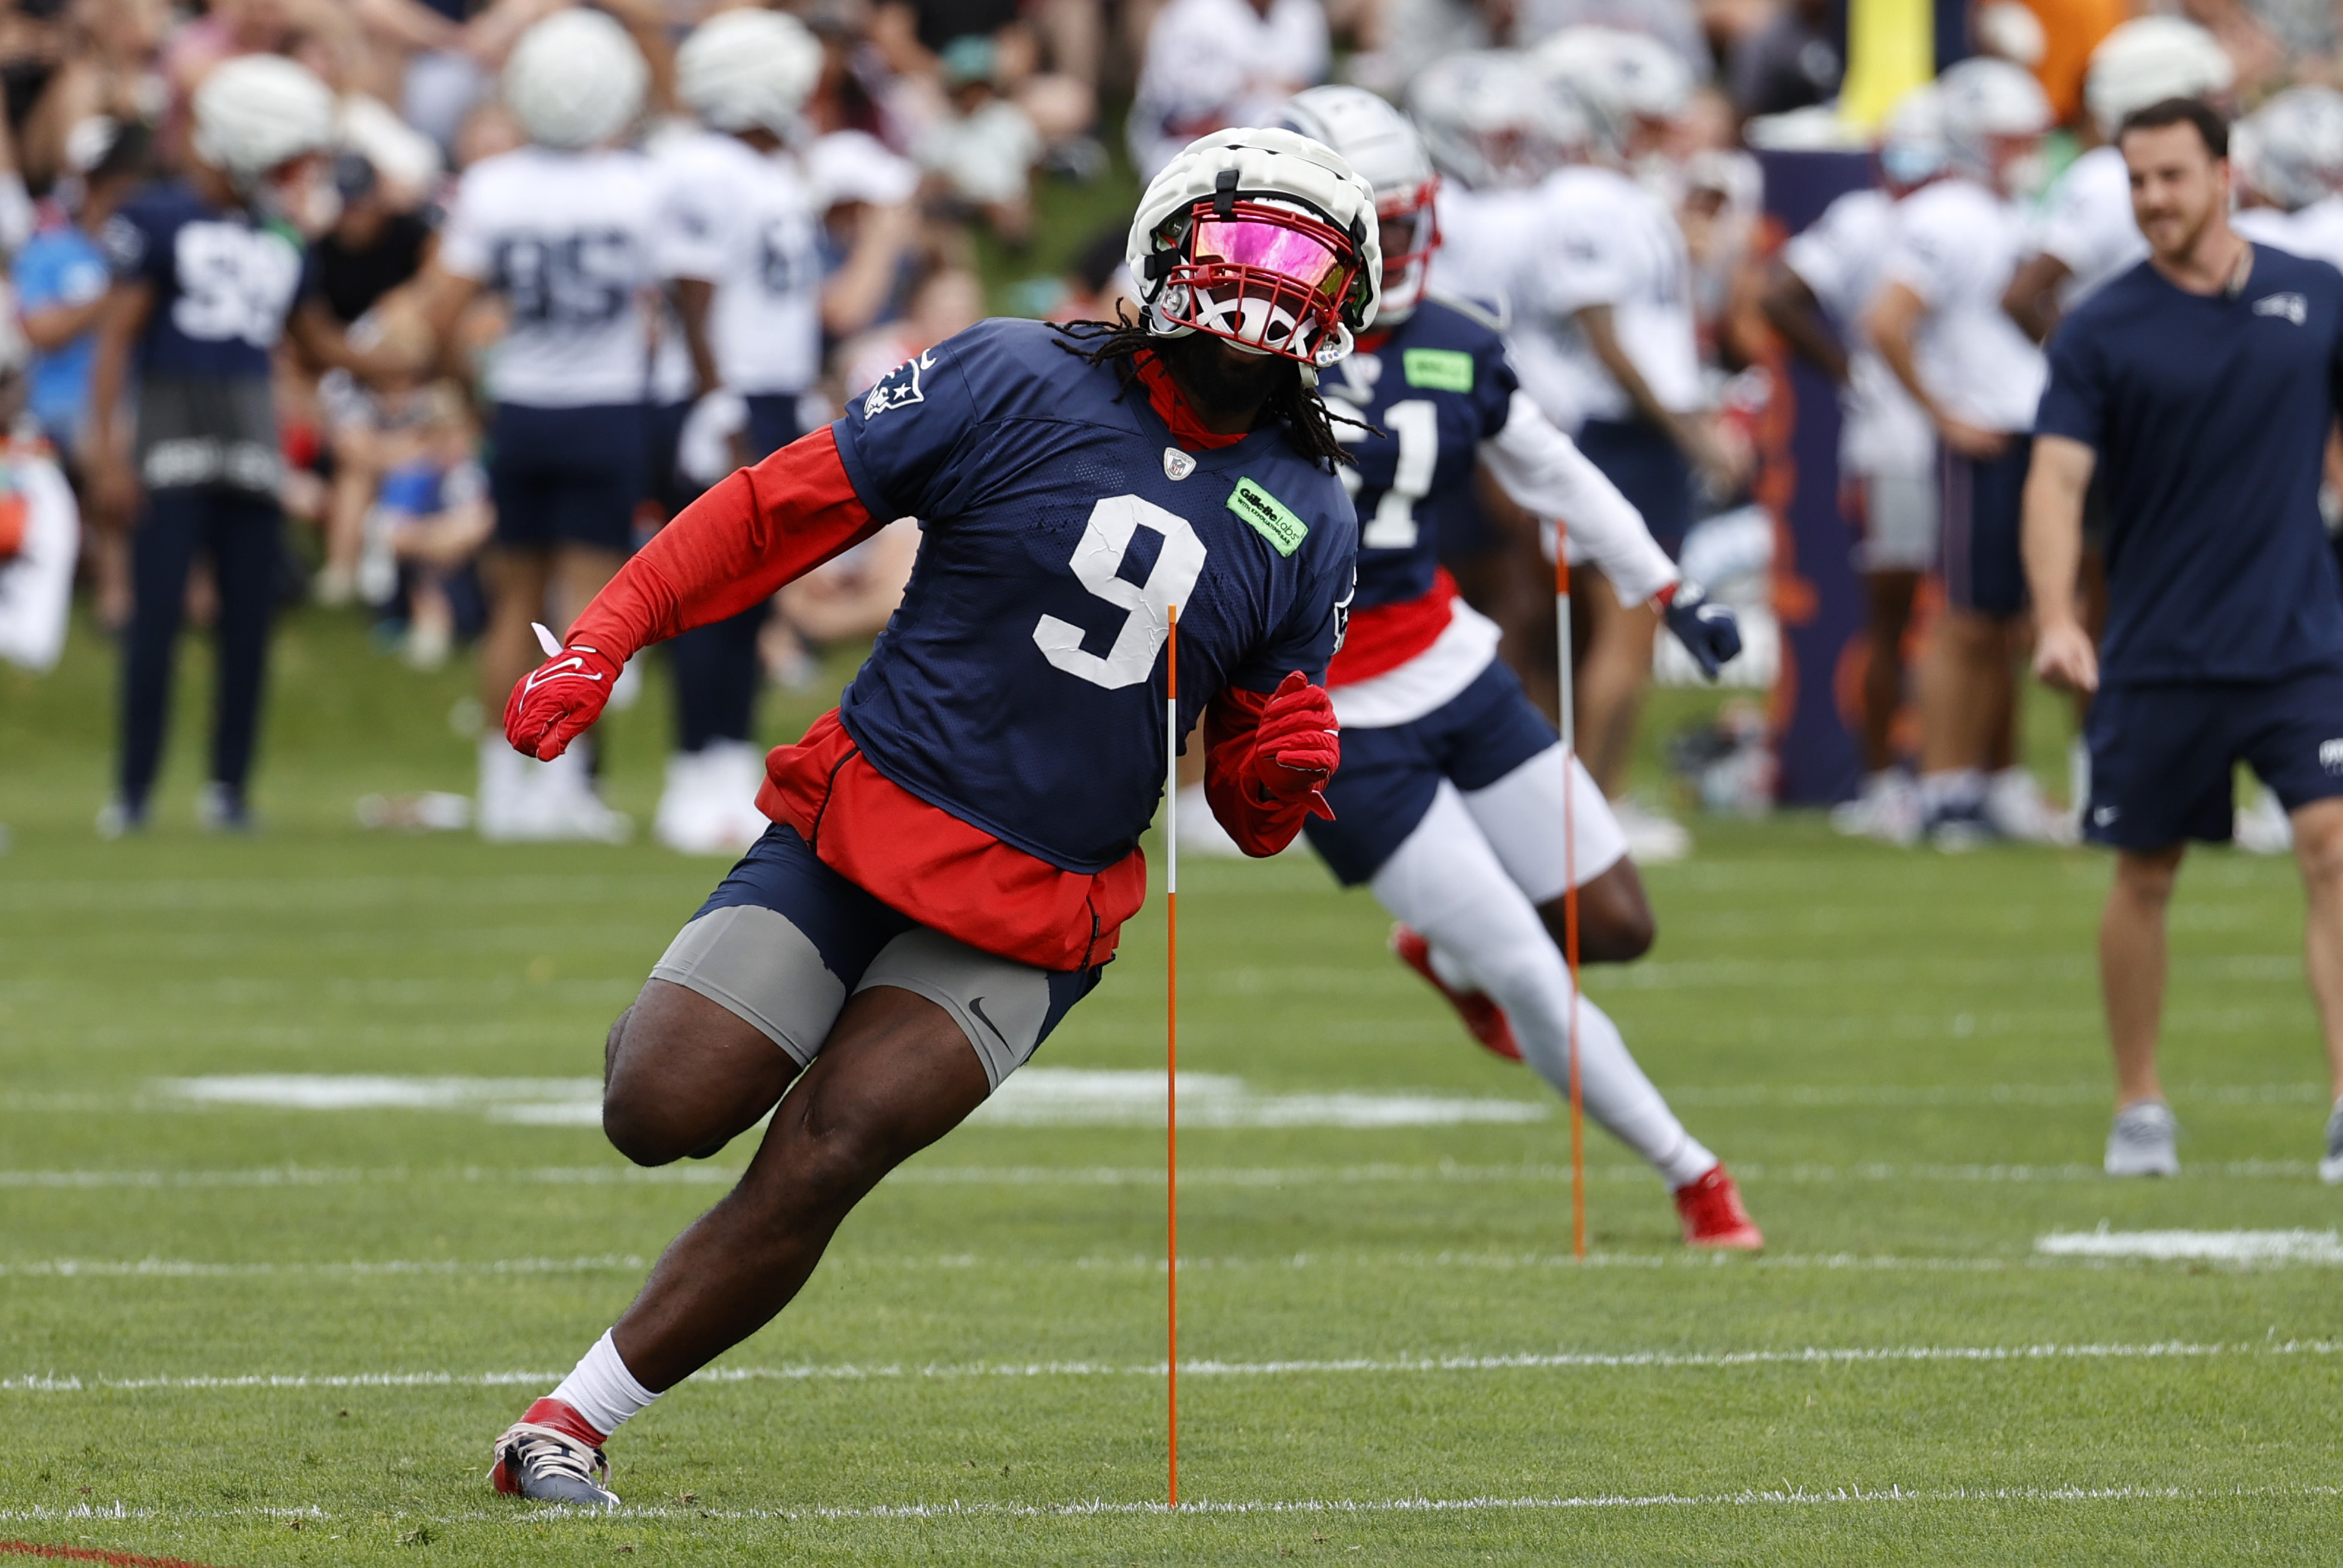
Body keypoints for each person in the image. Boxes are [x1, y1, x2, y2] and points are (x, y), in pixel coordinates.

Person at [484, 127, 1371, 1505]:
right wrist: (608, 634)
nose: (1266, 288)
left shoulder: (1308, 510)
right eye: (1244, 244)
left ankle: (568, 1420)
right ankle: (731, 999)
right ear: (1163, 246)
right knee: (658, 1102)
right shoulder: (1013, 372)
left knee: (832, 1143)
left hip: (1037, 894)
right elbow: (779, 506)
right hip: (868, 813)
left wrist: (1281, 766)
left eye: (1303, 261)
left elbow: (1255, 800)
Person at [1282, 87, 1759, 1247]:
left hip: (1451, 664)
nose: (1397, 248)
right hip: (1330, 714)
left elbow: (1551, 468)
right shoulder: (1243, 361)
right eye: (1374, 228)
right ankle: (1695, 1177)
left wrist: (1666, 586)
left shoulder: (1450, 338)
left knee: (1620, 923)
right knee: (1531, 974)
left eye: (1404, 223)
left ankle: (1438, 948)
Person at [2023, 96, 2343, 1184]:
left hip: (2302, 642)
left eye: (2172, 176)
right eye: (2137, 180)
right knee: (2145, 874)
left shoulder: (2315, 295)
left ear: (2225, 173)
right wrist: (2061, 617)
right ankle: (2139, 1105)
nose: (2153, 199)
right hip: (2158, 651)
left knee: (2333, 849)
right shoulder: (2102, 327)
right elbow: (2057, 483)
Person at [413, 10, 699, 844]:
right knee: (585, 608)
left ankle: (505, 782)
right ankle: (561, 781)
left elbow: (445, 312)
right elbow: (679, 294)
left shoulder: (496, 187)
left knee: (512, 601)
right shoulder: (639, 186)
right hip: (605, 407)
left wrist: (466, 390)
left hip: (525, 406)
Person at [85, 55, 383, 834]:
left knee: (249, 624)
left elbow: (315, 341)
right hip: (172, 436)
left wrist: (401, 354)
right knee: (154, 621)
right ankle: (136, 789)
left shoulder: (283, 234)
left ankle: (228, 787)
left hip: (252, 440)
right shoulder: (157, 217)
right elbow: (116, 340)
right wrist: (108, 451)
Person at [1511, 32, 1734, 861]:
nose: (1659, 132)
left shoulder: (1609, 195)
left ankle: (1582, 801)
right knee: (1626, 623)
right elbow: (1605, 333)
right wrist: (1691, 428)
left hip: (1616, 426)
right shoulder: (1585, 200)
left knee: (1593, 628)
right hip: (1618, 430)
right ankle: (1594, 807)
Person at [646, 8, 830, 858]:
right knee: (707, 586)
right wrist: (714, 402)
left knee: (751, 589)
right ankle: (693, 767)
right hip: (727, 396)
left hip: (772, 393)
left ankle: (725, 759)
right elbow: (694, 292)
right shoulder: (703, 168)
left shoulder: (769, 169)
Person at [1864, 56, 2055, 850]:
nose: (2027, 152)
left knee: (2004, 623)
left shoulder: (1995, 211)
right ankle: (1943, 788)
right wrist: (1945, 414)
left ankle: (1981, 779)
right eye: (2013, 139)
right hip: (1982, 434)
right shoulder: (1950, 214)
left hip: (2016, 429)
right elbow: (1886, 319)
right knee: (1968, 623)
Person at [1761, 87, 1946, 845]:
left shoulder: (1957, 215)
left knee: (1973, 623)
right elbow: (1779, 297)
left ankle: (1955, 780)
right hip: (1899, 441)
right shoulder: (1870, 219)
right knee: (1899, 616)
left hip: (1951, 436)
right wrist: (1851, 372)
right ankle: (1885, 783)